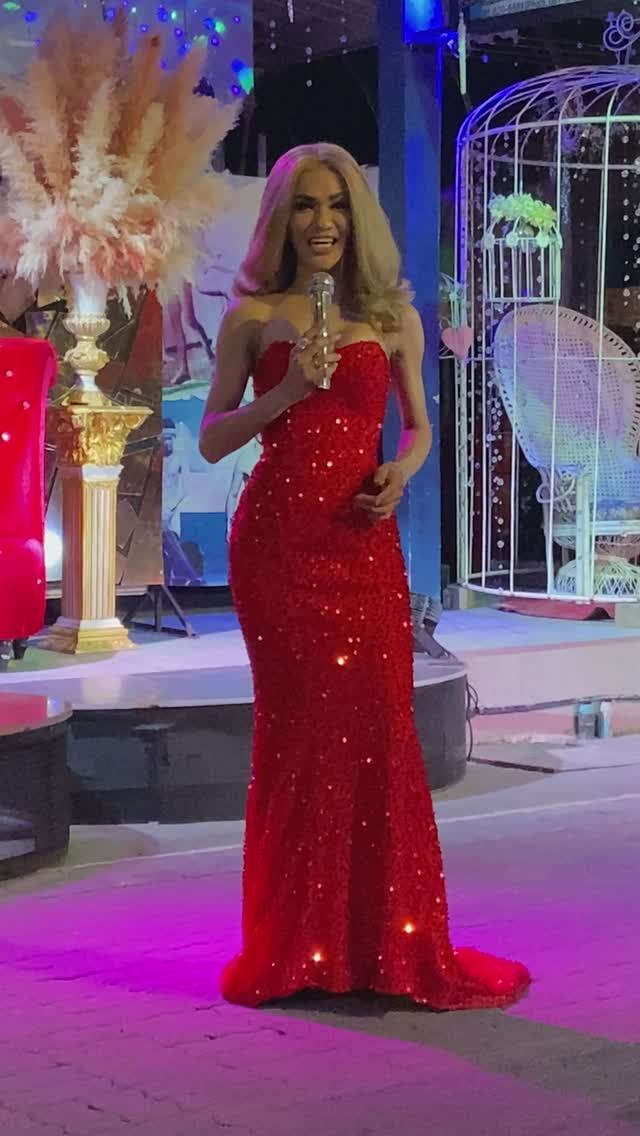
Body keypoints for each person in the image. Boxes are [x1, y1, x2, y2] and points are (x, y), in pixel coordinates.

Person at [199, 143, 530, 1009]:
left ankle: (381, 945)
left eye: (337, 205)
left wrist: (402, 472)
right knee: (298, 739)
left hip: (362, 546)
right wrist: (283, 395)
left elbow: (417, 427)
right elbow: (213, 437)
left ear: (357, 218)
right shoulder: (252, 317)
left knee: (378, 734)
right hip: (277, 550)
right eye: (305, 206)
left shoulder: (392, 318)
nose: (322, 223)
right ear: (281, 221)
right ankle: (298, 948)